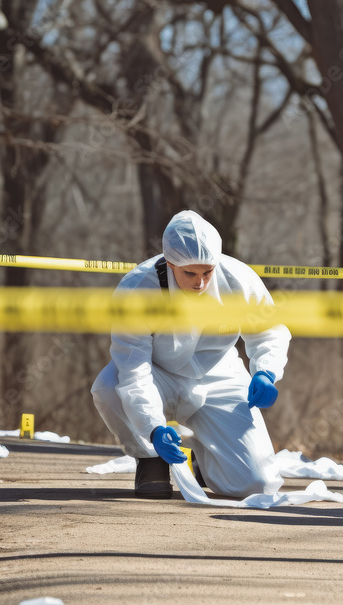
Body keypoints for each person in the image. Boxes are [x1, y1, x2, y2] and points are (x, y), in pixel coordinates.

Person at [91, 210, 291, 499]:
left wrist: (266, 371)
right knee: (109, 387)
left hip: (220, 376)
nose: (200, 283)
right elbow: (134, 372)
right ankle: (151, 460)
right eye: (190, 273)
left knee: (258, 486)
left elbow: (268, 331)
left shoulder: (238, 279)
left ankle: (206, 456)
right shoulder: (138, 290)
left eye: (207, 272)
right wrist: (154, 428)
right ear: (170, 263)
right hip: (157, 375)